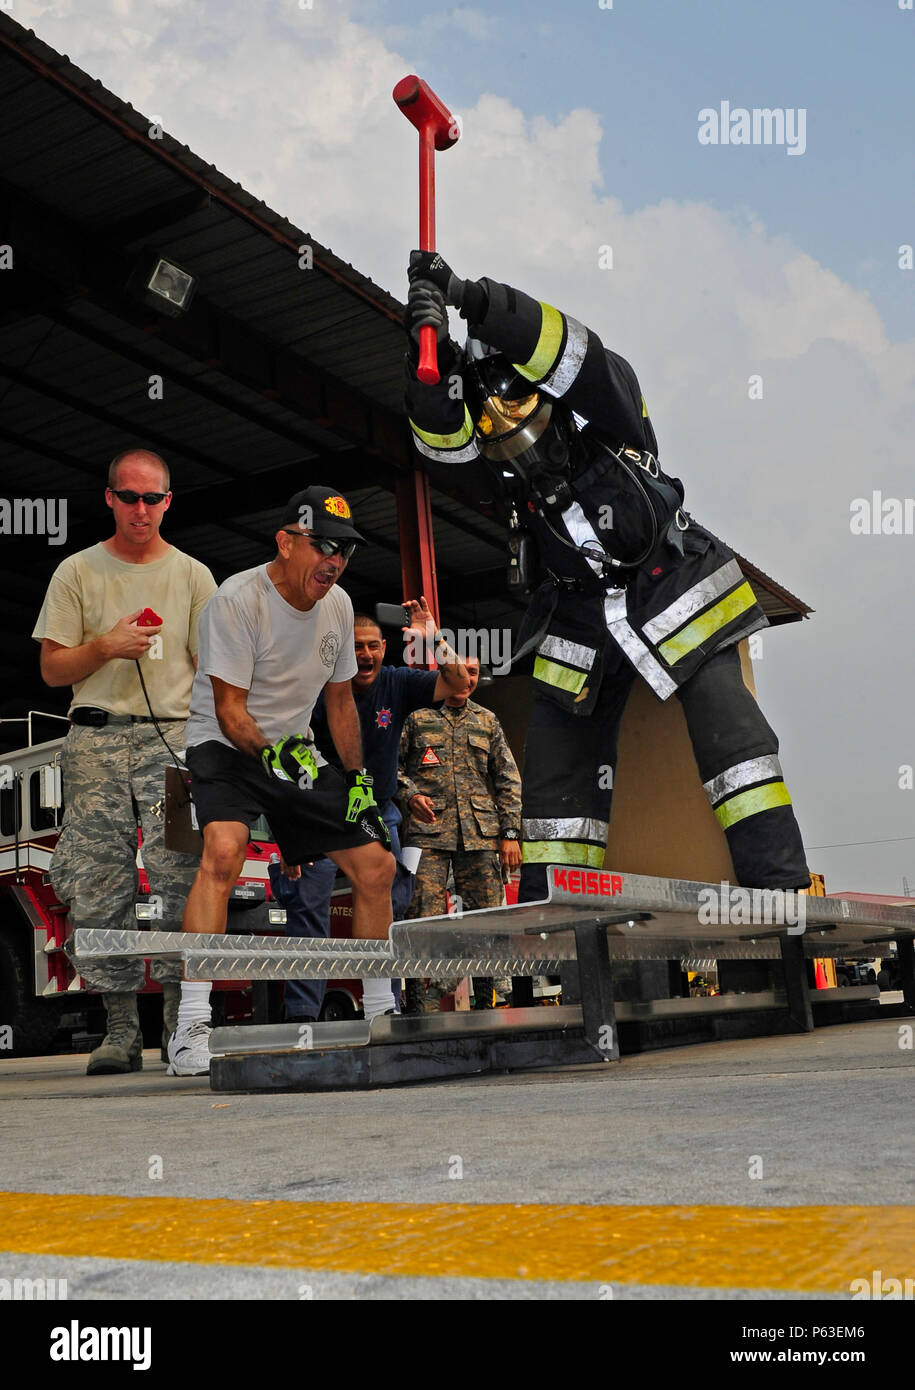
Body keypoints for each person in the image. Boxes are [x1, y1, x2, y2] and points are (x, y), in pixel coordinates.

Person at [402, 253, 810, 905]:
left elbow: (575, 353)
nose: (510, 430)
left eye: (517, 404)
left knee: (733, 744)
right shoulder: (510, 491)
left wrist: (470, 298)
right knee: (553, 787)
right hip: (576, 625)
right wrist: (428, 365)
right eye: (491, 421)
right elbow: (438, 446)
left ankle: (780, 894)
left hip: (674, 591)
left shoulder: (613, 414)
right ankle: (558, 918)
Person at [167, 486, 396, 1076]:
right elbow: (229, 709)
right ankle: (192, 1026)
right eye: (322, 545)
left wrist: (357, 780)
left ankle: (378, 1014)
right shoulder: (236, 600)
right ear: (286, 541)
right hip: (224, 744)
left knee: (377, 866)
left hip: (298, 748)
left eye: (344, 550)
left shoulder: (341, 607)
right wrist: (274, 759)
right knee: (223, 850)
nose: (334, 561)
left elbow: (341, 702)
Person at [33, 448, 216, 1074]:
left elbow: (214, 671)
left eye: (154, 498)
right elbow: (53, 668)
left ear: (169, 501)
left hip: (171, 740)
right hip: (97, 742)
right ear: (109, 498)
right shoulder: (76, 572)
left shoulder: (194, 576)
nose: (142, 509)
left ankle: (176, 1025)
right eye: (130, 496)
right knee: (97, 880)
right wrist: (104, 646)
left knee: (178, 878)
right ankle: (117, 1029)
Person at [276, 604, 469, 1024]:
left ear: (385, 648)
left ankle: (382, 1007)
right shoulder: (315, 686)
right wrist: (287, 834)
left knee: (391, 905)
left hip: (378, 811)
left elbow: (457, 681)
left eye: (372, 646)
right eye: (356, 647)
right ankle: (303, 1017)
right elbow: (285, 756)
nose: (364, 655)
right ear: (343, 650)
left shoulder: (398, 682)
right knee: (309, 907)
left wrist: (432, 636)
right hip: (321, 812)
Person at [398, 655, 522, 1011]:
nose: (467, 678)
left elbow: (508, 779)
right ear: (446, 675)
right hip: (427, 833)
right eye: (462, 671)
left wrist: (509, 833)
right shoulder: (417, 719)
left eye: (474, 673)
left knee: (485, 917)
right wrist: (410, 795)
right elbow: (391, 767)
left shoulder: (487, 721)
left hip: (480, 834)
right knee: (424, 916)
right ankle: (423, 1003)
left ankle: (487, 1003)